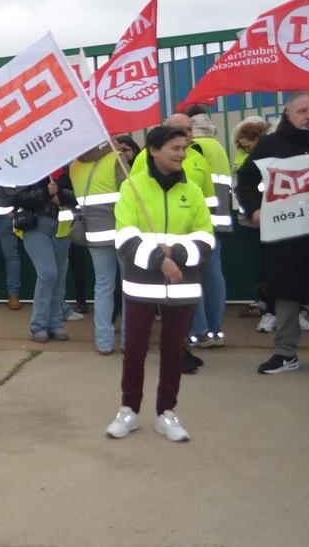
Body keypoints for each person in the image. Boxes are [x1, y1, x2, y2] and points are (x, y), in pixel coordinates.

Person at [235, 93, 309, 378]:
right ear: (288, 114)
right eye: (302, 110)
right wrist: (254, 209)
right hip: (286, 234)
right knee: (286, 293)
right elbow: (247, 180)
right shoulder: (270, 145)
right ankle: (285, 352)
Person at [105, 125, 214, 442]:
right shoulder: (133, 188)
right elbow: (125, 236)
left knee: (173, 352)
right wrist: (159, 260)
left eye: (184, 148)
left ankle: (167, 413)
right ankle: (129, 411)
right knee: (134, 351)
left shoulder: (191, 191)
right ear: (153, 150)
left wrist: (177, 254)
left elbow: (205, 237)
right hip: (141, 286)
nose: (182, 154)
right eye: (176, 148)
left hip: (183, 286)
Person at [181, 109, 234, 349]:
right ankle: (215, 329)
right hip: (219, 219)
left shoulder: (195, 150)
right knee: (214, 275)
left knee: (194, 277)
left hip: (197, 222)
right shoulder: (218, 146)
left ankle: (199, 330)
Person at [69, 143, 127, 355]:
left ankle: (104, 341)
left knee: (102, 285)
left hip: (94, 232)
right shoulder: (116, 159)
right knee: (128, 285)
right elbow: (130, 194)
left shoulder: (74, 165)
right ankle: (129, 340)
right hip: (122, 229)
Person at [15, 171, 76, 343]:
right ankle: (39, 325)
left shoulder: (67, 168)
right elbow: (20, 198)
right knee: (48, 274)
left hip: (61, 227)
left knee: (58, 277)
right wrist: (45, 193)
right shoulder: (29, 167)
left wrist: (61, 196)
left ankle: (55, 323)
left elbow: (79, 195)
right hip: (35, 226)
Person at [231, 116, 273, 332]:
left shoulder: (272, 154)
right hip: (253, 218)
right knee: (260, 262)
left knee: (275, 263)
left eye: (249, 145)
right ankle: (265, 305)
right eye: (243, 146)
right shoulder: (243, 158)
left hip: (276, 217)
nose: (246, 149)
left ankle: (288, 309)